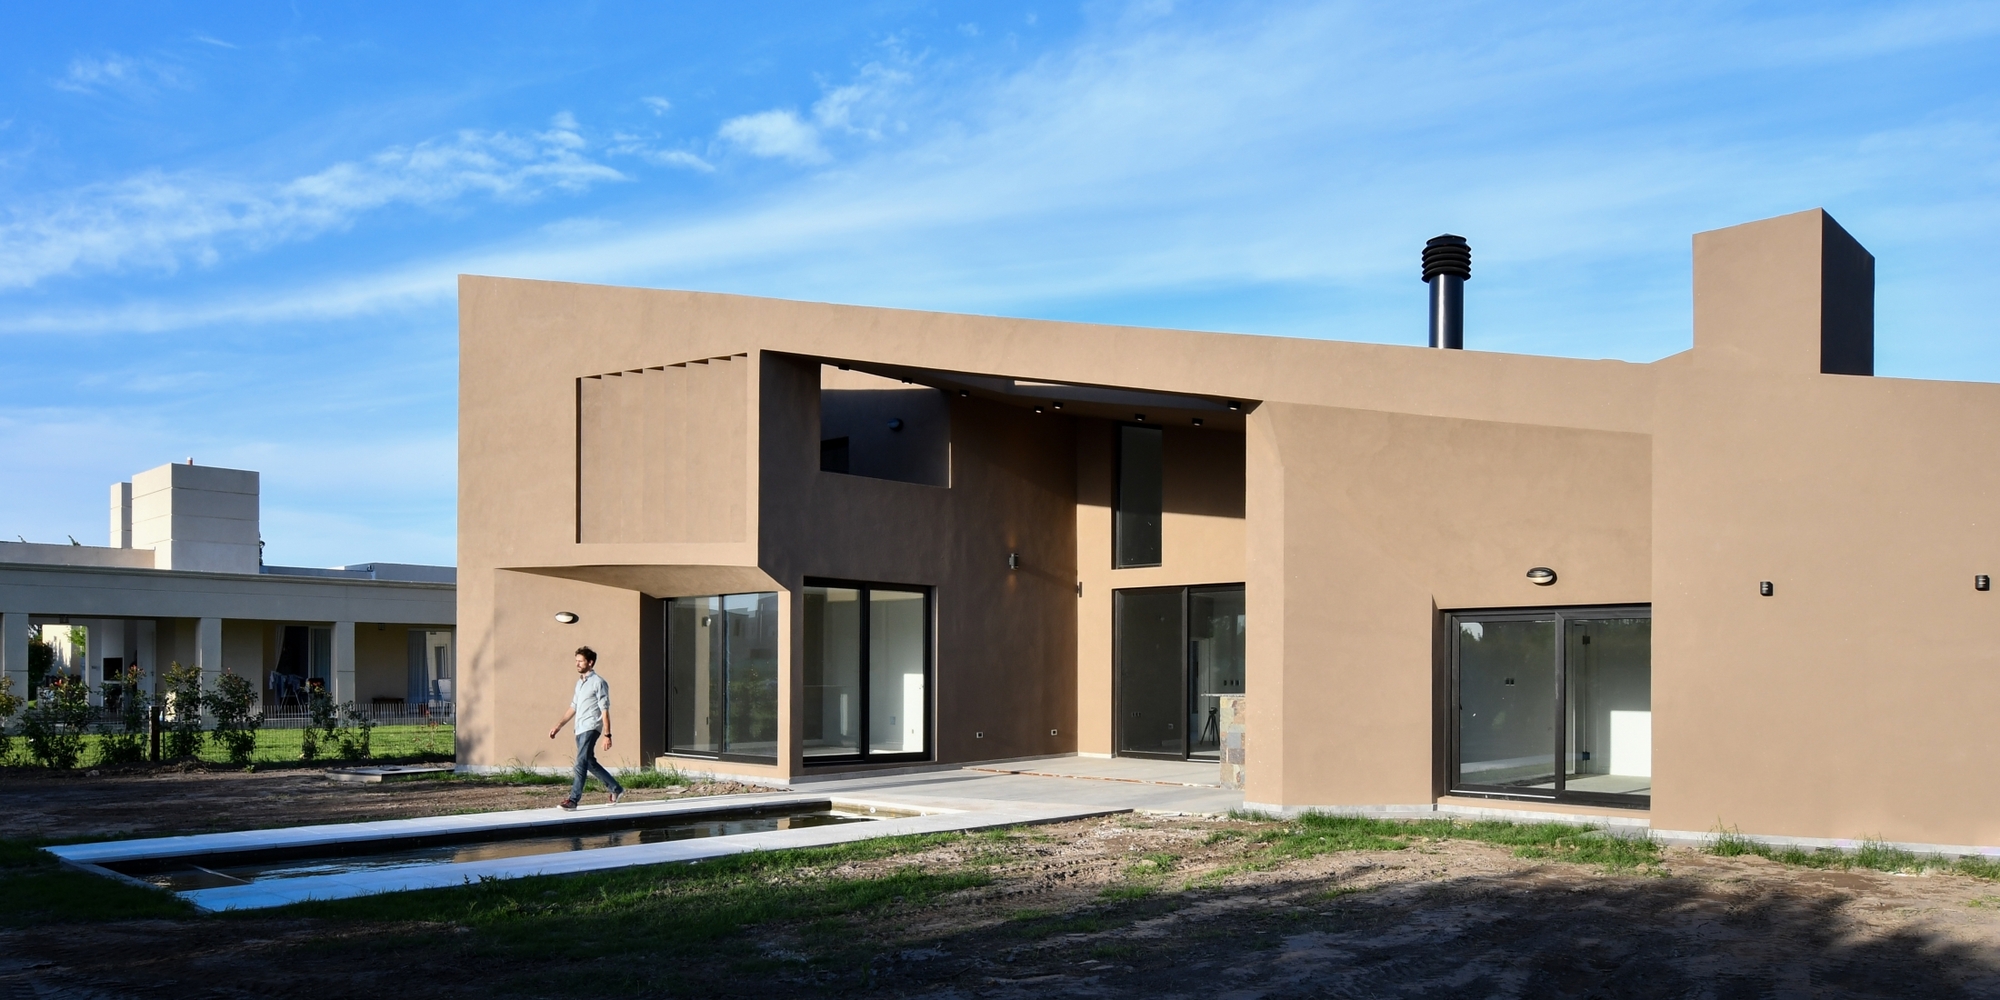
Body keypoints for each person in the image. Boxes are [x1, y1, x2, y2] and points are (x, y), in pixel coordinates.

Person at [548, 646, 624, 810]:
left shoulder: (599, 683)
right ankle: (615, 788)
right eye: (576, 661)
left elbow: (605, 709)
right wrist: (558, 726)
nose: (577, 664)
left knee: (580, 762)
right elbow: (573, 707)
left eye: (580, 661)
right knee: (589, 762)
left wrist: (607, 735)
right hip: (579, 728)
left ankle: (573, 800)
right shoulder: (580, 683)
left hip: (591, 727)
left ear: (590, 662)